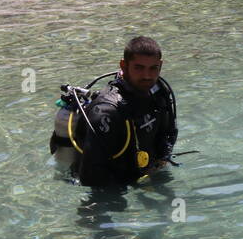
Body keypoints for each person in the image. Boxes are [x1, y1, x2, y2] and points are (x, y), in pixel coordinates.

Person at [66, 35, 178, 187]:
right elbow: (91, 176)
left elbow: (169, 132)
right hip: (113, 184)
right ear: (124, 66)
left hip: (146, 172)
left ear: (160, 65)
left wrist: (160, 161)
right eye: (139, 68)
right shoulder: (106, 112)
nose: (147, 76)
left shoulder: (158, 91)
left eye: (153, 68)